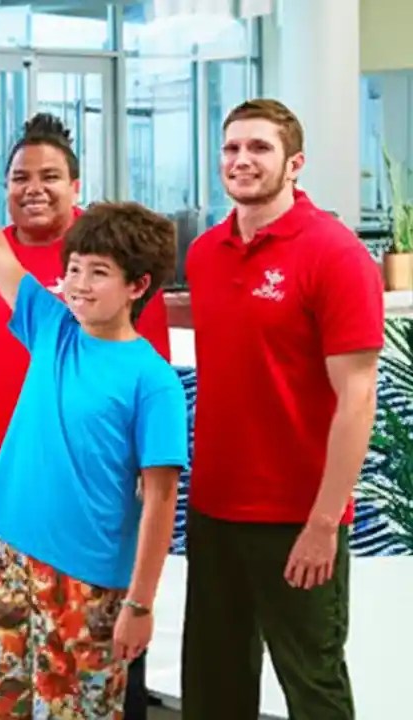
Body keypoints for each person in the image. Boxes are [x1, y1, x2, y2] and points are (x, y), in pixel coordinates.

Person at [0, 90, 189, 718]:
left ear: (137, 287)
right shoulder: (52, 327)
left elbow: (160, 499)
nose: (77, 283)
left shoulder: (151, 379)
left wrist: (140, 602)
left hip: (92, 582)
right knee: (2, 705)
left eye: (97, 273)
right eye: (73, 269)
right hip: (13, 558)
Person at [180, 99, 383, 720]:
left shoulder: (335, 253)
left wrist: (324, 523)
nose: (242, 160)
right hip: (215, 511)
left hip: (299, 516)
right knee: (213, 689)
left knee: (312, 686)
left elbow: (358, 397)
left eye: (259, 148)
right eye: (231, 148)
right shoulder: (205, 254)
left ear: (294, 163)